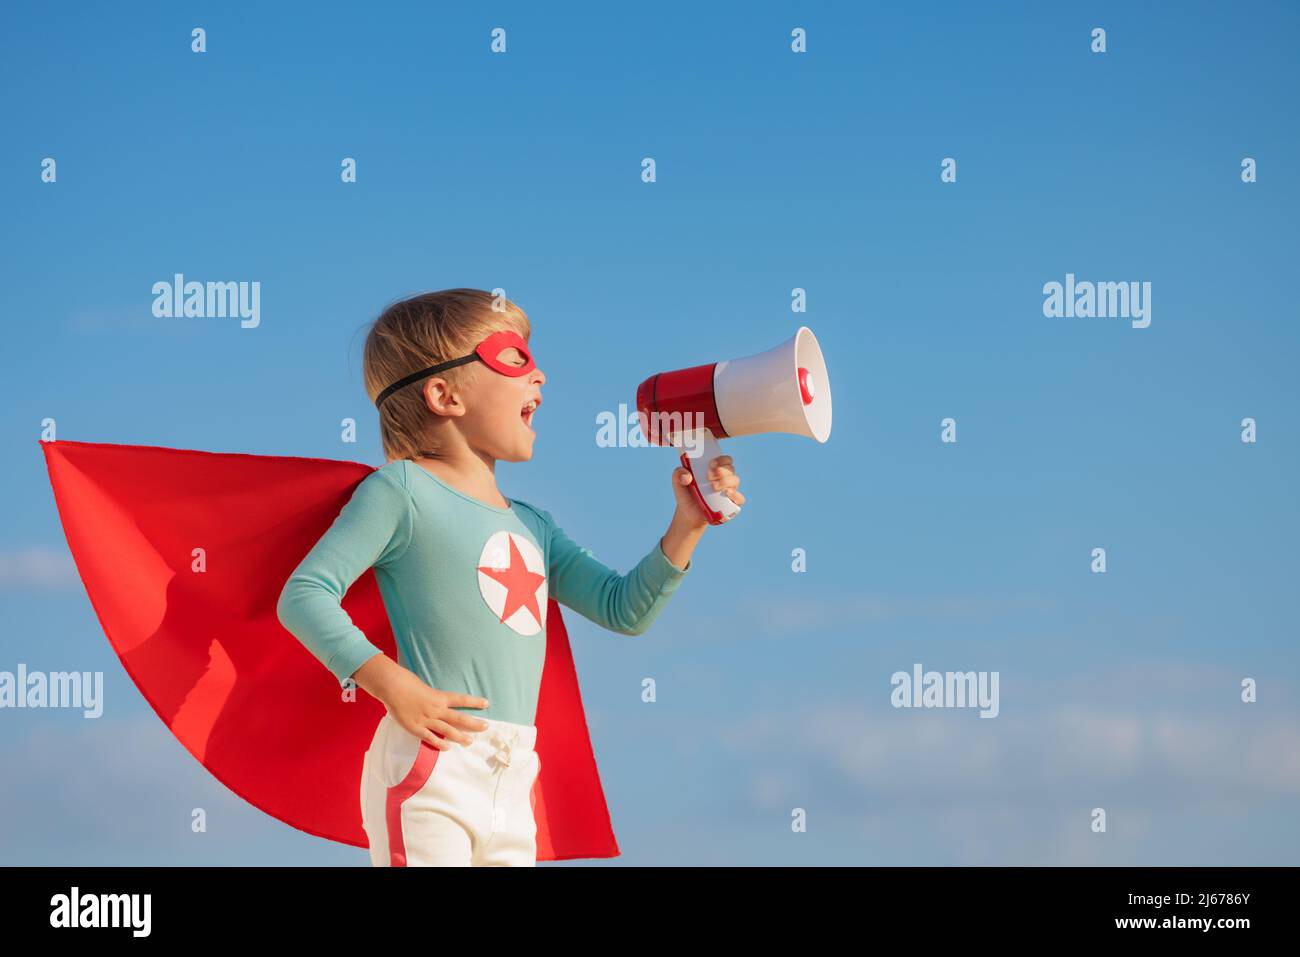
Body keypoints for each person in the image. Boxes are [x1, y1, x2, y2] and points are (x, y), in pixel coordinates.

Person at [276, 288, 744, 866]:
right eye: (514, 359)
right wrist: (392, 685)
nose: (540, 375)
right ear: (444, 395)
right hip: (433, 766)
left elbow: (624, 609)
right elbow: (305, 594)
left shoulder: (535, 526)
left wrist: (690, 521)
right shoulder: (401, 491)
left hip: (514, 777)